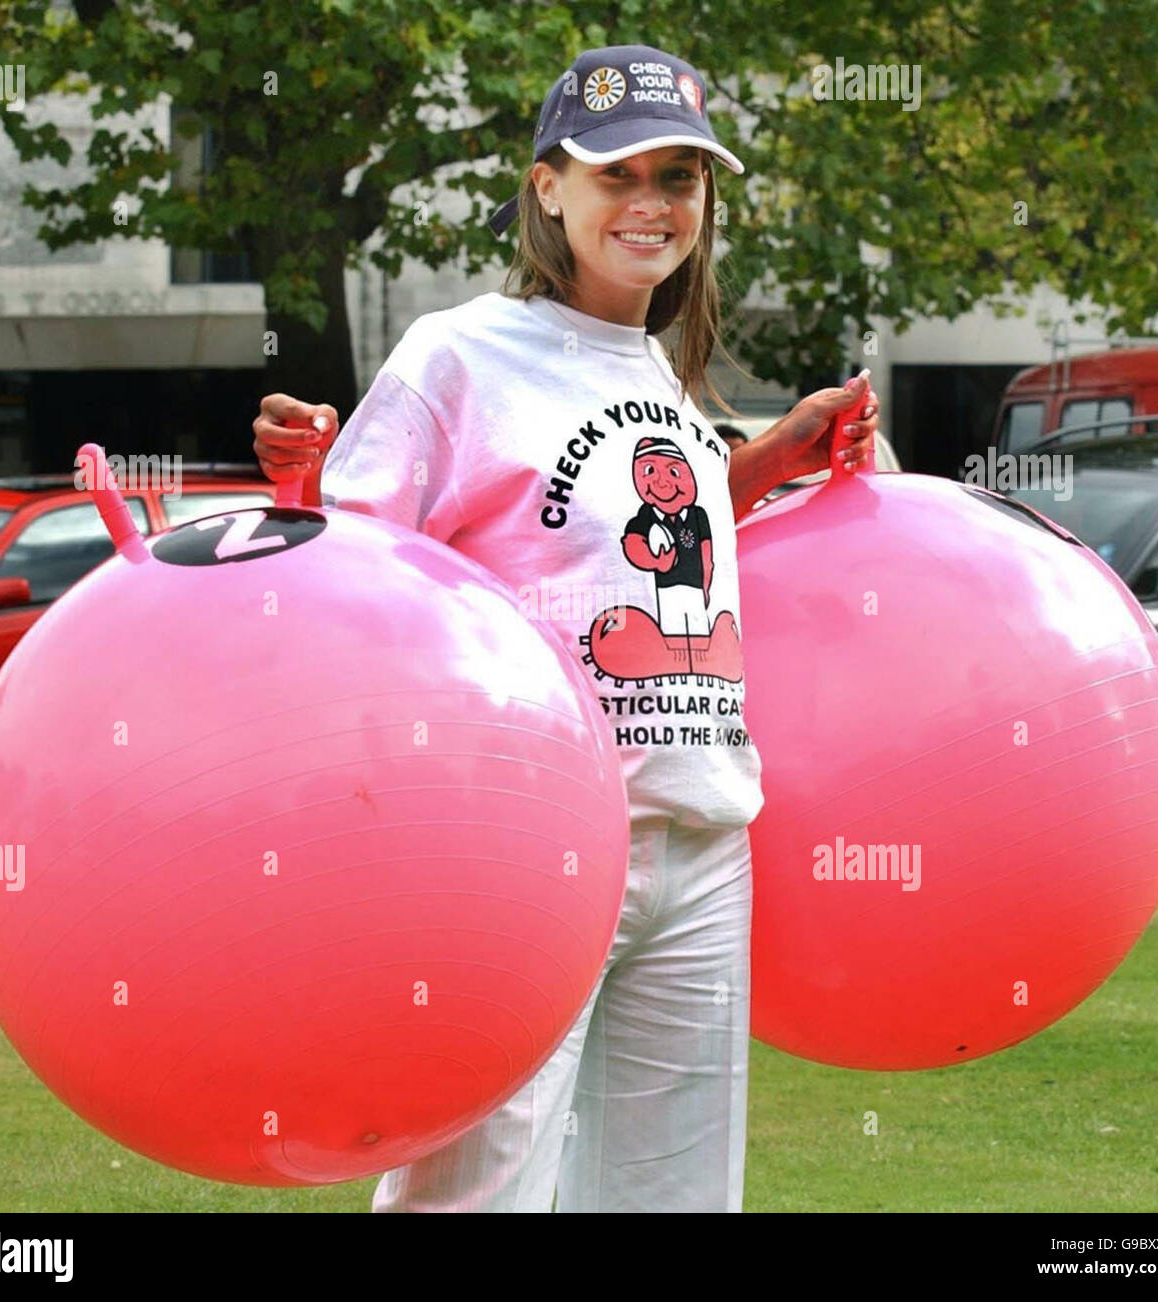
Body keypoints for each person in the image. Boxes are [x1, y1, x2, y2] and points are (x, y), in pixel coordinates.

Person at [251, 43, 879, 1213]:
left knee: (671, 1197)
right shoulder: (458, 354)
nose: (650, 205)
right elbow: (351, 571)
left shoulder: (660, 373)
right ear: (548, 188)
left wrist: (758, 465)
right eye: (615, 174)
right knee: (474, 1188)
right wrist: (298, 489)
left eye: (679, 179)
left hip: (701, 834)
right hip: (531, 846)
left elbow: (615, 543)